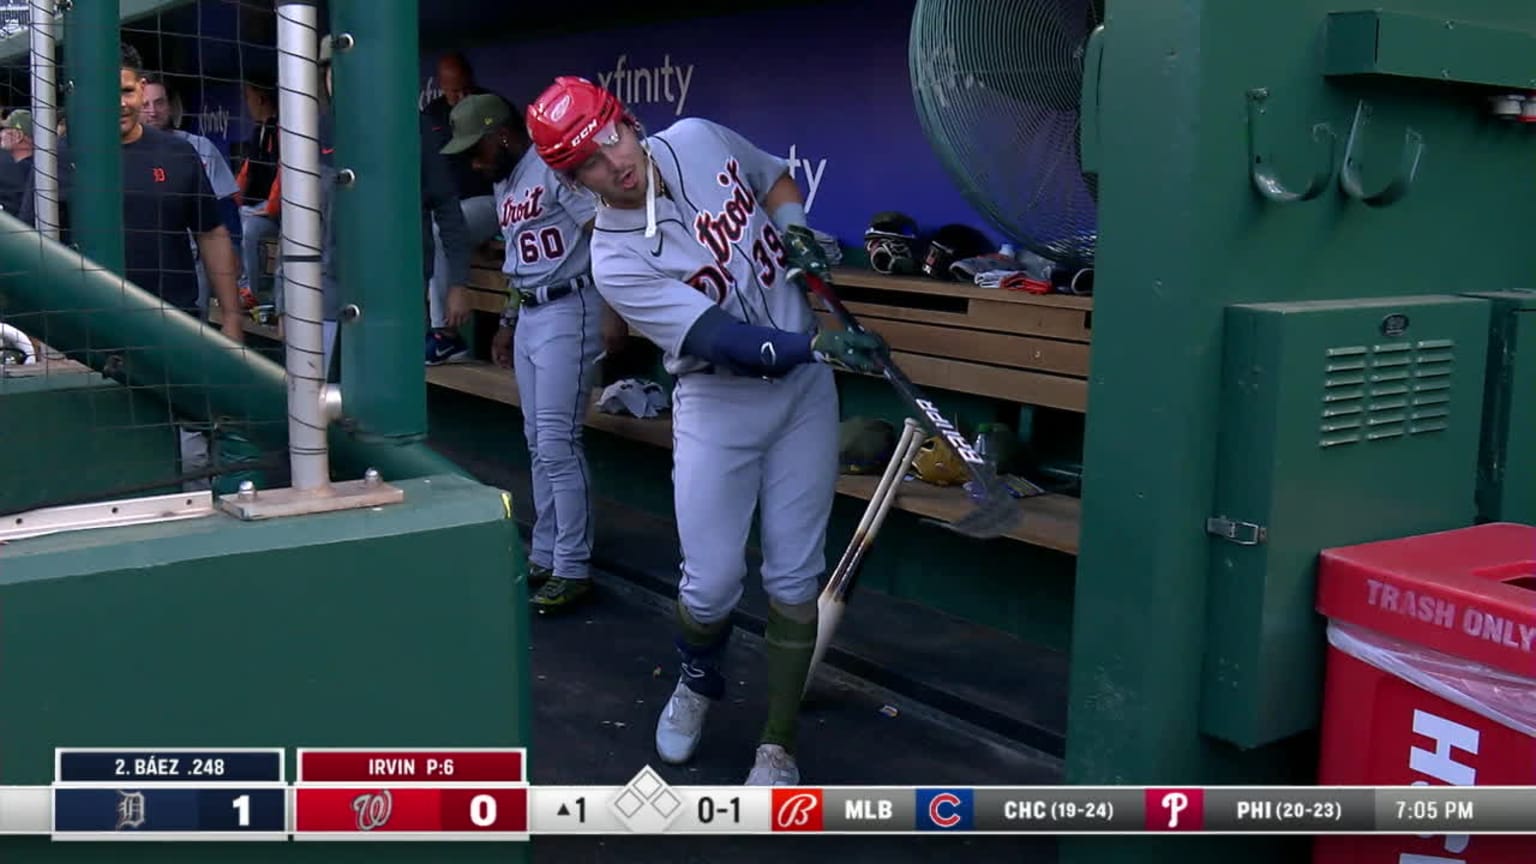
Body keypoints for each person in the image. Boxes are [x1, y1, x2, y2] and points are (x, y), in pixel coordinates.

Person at [525, 77, 886, 784]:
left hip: (803, 399)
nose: (612, 162)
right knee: (712, 584)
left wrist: (795, 232)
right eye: (587, 163)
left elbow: (772, 176)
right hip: (720, 405)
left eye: (610, 137)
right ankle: (696, 680)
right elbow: (721, 339)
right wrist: (818, 347)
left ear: (626, 121)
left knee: (794, 576)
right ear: (574, 180)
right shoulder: (615, 258)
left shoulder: (696, 137)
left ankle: (776, 745)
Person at [442, 92, 626, 614]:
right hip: (533, 313)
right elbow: (521, 261)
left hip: (573, 305)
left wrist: (616, 312)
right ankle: (546, 552)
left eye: (477, 149)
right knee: (537, 441)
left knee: (557, 442)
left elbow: (603, 232)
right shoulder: (504, 182)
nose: (474, 162)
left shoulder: (551, 168)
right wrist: (507, 321)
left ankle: (573, 565)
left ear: (501, 134)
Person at [139, 74, 243, 318]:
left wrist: (234, 251)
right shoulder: (120, 150)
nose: (153, 111)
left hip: (194, 256)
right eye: (145, 104)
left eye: (160, 102)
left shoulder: (200, 147)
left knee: (195, 330)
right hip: (142, 260)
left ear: (172, 105)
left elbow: (225, 208)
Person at [420, 51, 499, 365]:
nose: (460, 96)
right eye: (453, 90)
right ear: (441, 85)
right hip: (454, 206)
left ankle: (445, 336)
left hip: (491, 202)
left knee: (442, 229)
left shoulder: (488, 106)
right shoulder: (433, 113)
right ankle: (427, 327)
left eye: (464, 88)